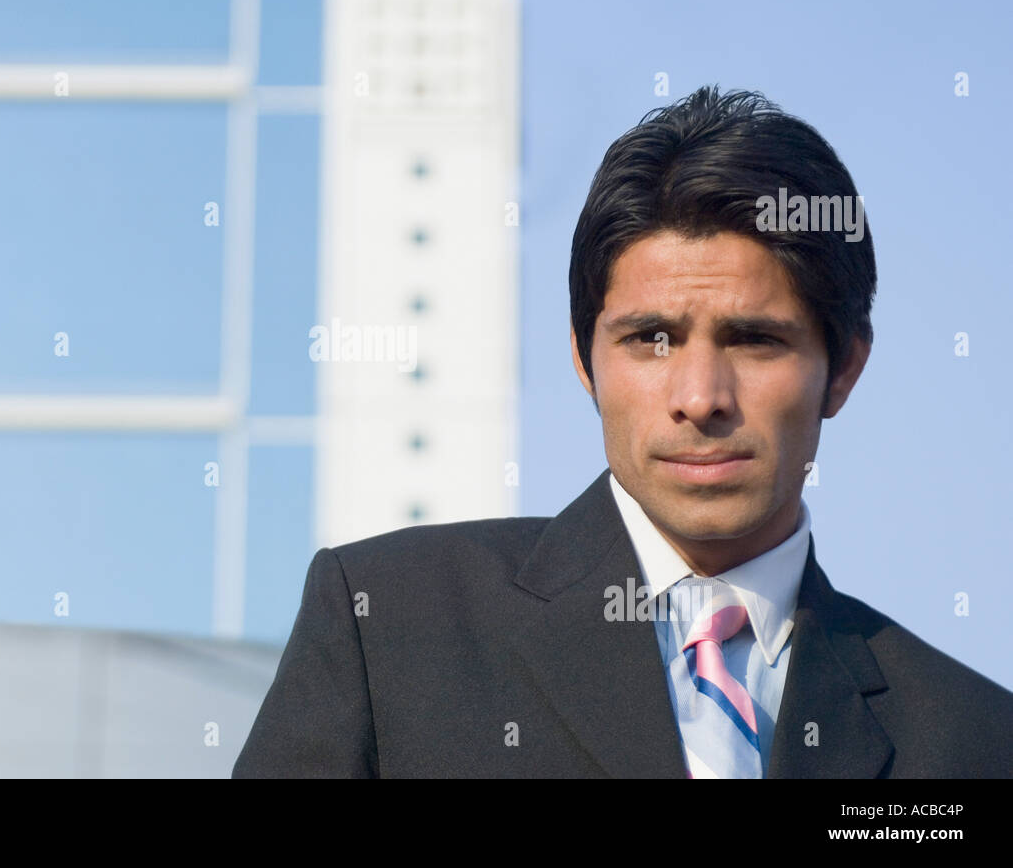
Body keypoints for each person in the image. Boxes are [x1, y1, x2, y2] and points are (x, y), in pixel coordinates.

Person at [232, 86, 1013, 778]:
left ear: (842, 368)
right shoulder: (390, 626)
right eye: (651, 339)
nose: (701, 397)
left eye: (755, 339)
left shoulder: (972, 738)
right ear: (584, 359)